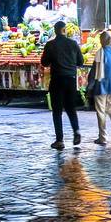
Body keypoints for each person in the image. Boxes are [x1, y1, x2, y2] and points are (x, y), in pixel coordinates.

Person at [41, 20, 84, 150]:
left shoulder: (50, 45)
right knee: (71, 108)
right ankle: (76, 131)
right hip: (70, 79)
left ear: (55, 31)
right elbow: (80, 62)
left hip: (57, 79)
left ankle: (59, 140)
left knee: (57, 111)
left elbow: (44, 62)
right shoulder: (73, 43)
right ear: (65, 30)